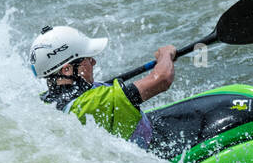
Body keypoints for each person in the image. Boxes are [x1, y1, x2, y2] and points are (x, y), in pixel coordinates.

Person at [28, 25, 177, 140]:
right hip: (155, 149)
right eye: (87, 58)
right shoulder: (98, 102)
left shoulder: (45, 102)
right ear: (67, 69)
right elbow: (163, 78)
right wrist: (166, 55)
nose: (93, 62)